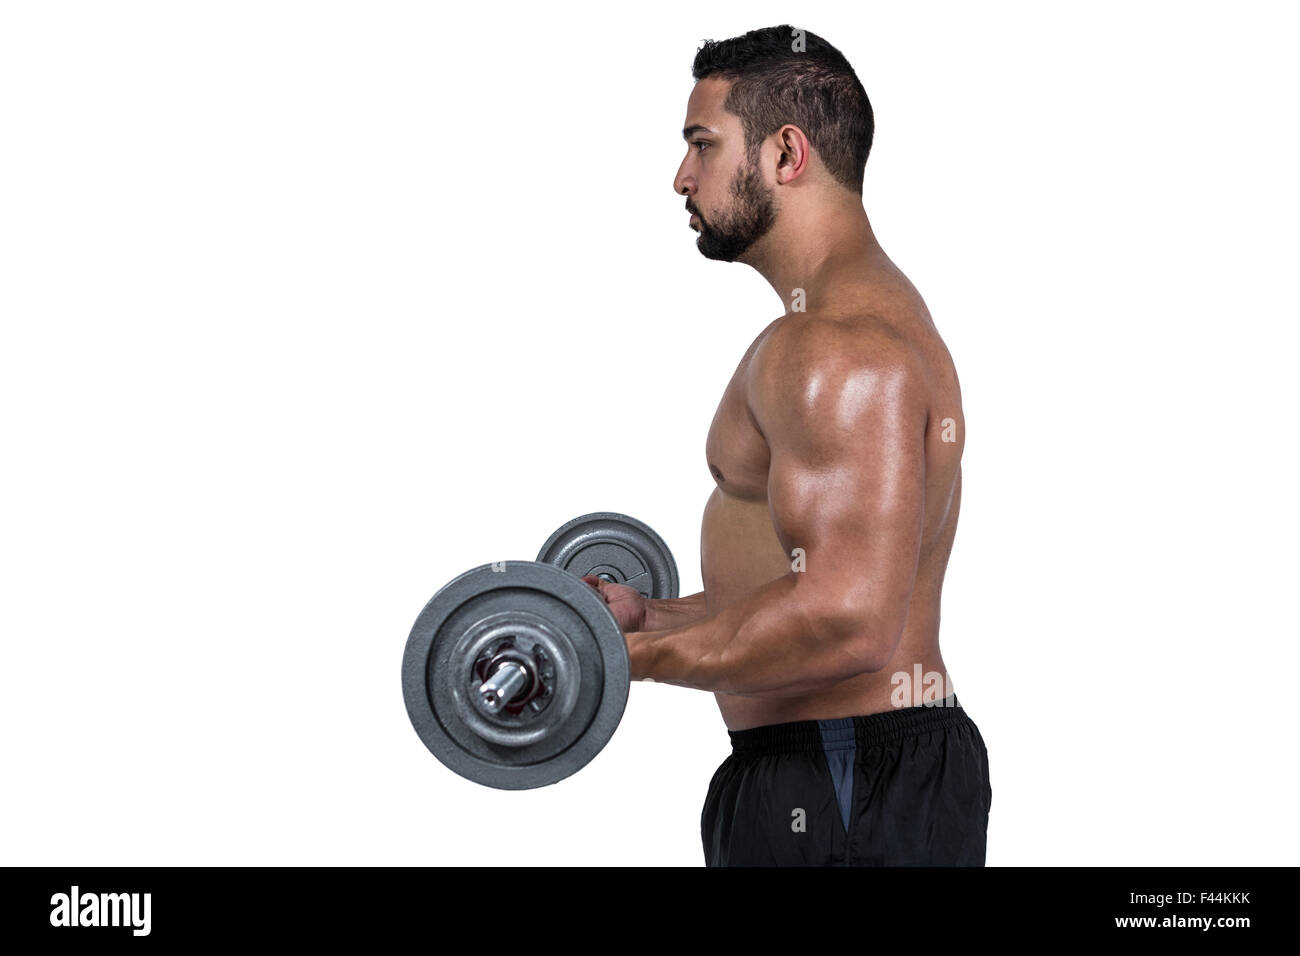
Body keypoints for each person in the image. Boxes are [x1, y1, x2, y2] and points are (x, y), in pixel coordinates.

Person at [582, 24, 991, 866]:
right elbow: (806, 586)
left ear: (786, 154)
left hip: (844, 778)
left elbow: (845, 621)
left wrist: (622, 658)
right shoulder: (842, 326)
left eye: (703, 144)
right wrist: (652, 616)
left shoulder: (834, 348)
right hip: (836, 771)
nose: (681, 178)